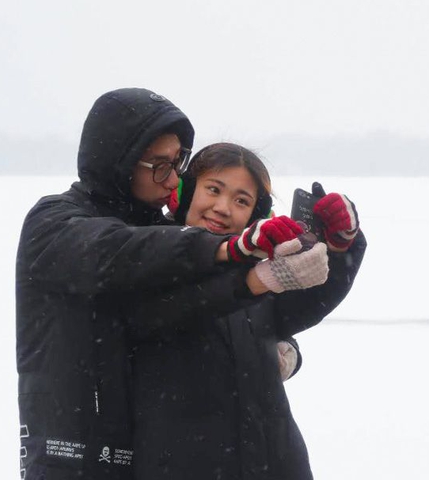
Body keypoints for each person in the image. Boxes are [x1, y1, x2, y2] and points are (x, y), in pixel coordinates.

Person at [16, 89, 329, 480]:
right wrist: (231, 249)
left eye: (178, 162)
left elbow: (204, 304)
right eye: (160, 165)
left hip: (139, 453)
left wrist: (275, 343)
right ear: (120, 159)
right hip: (73, 454)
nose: (173, 179)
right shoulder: (55, 222)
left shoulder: (160, 232)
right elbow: (119, 254)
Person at [128, 142, 367, 479]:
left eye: (242, 201)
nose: (223, 208)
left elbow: (307, 301)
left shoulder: (259, 272)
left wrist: (340, 246)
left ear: (256, 216)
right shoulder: (149, 254)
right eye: (213, 189)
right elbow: (168, 311)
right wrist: (250, 278)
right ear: (184, 193)